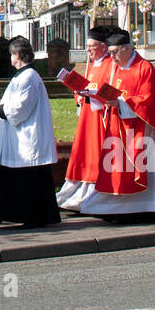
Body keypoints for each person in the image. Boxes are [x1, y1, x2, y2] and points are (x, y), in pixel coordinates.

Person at [56, 29, 155, 222]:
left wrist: (123, 103)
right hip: (120, 127)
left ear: (127, 48)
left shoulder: (144, 68)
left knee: (147, 169)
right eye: (110, 53)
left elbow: (149, 100)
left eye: (115, 52)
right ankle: (125, 207)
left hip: (142, 129)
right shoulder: (117, 68)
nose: (112, 57)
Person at [0, 37, 61, 227]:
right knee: (10, 176)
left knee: (28, 181)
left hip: (26, 138)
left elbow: (20, 108)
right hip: (18, 138)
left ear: (17, 55)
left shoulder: (29, 77)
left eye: (11, 54)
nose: (10, 58)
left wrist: (0, 109)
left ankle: (34, 217)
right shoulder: (23, 76)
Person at [55, 25, 113, 210]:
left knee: (94, 153)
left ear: (103, 47)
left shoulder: (110, 66)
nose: (88, 50)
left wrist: (92, 94)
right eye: (87, 46)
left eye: (92, 46)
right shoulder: (92, 65)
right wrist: (79, 94)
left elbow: (109, 92)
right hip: (87, 116)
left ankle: (92, 190)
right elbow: (85, 87)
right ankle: (74, 189)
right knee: (82, 151)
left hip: (99, 118)